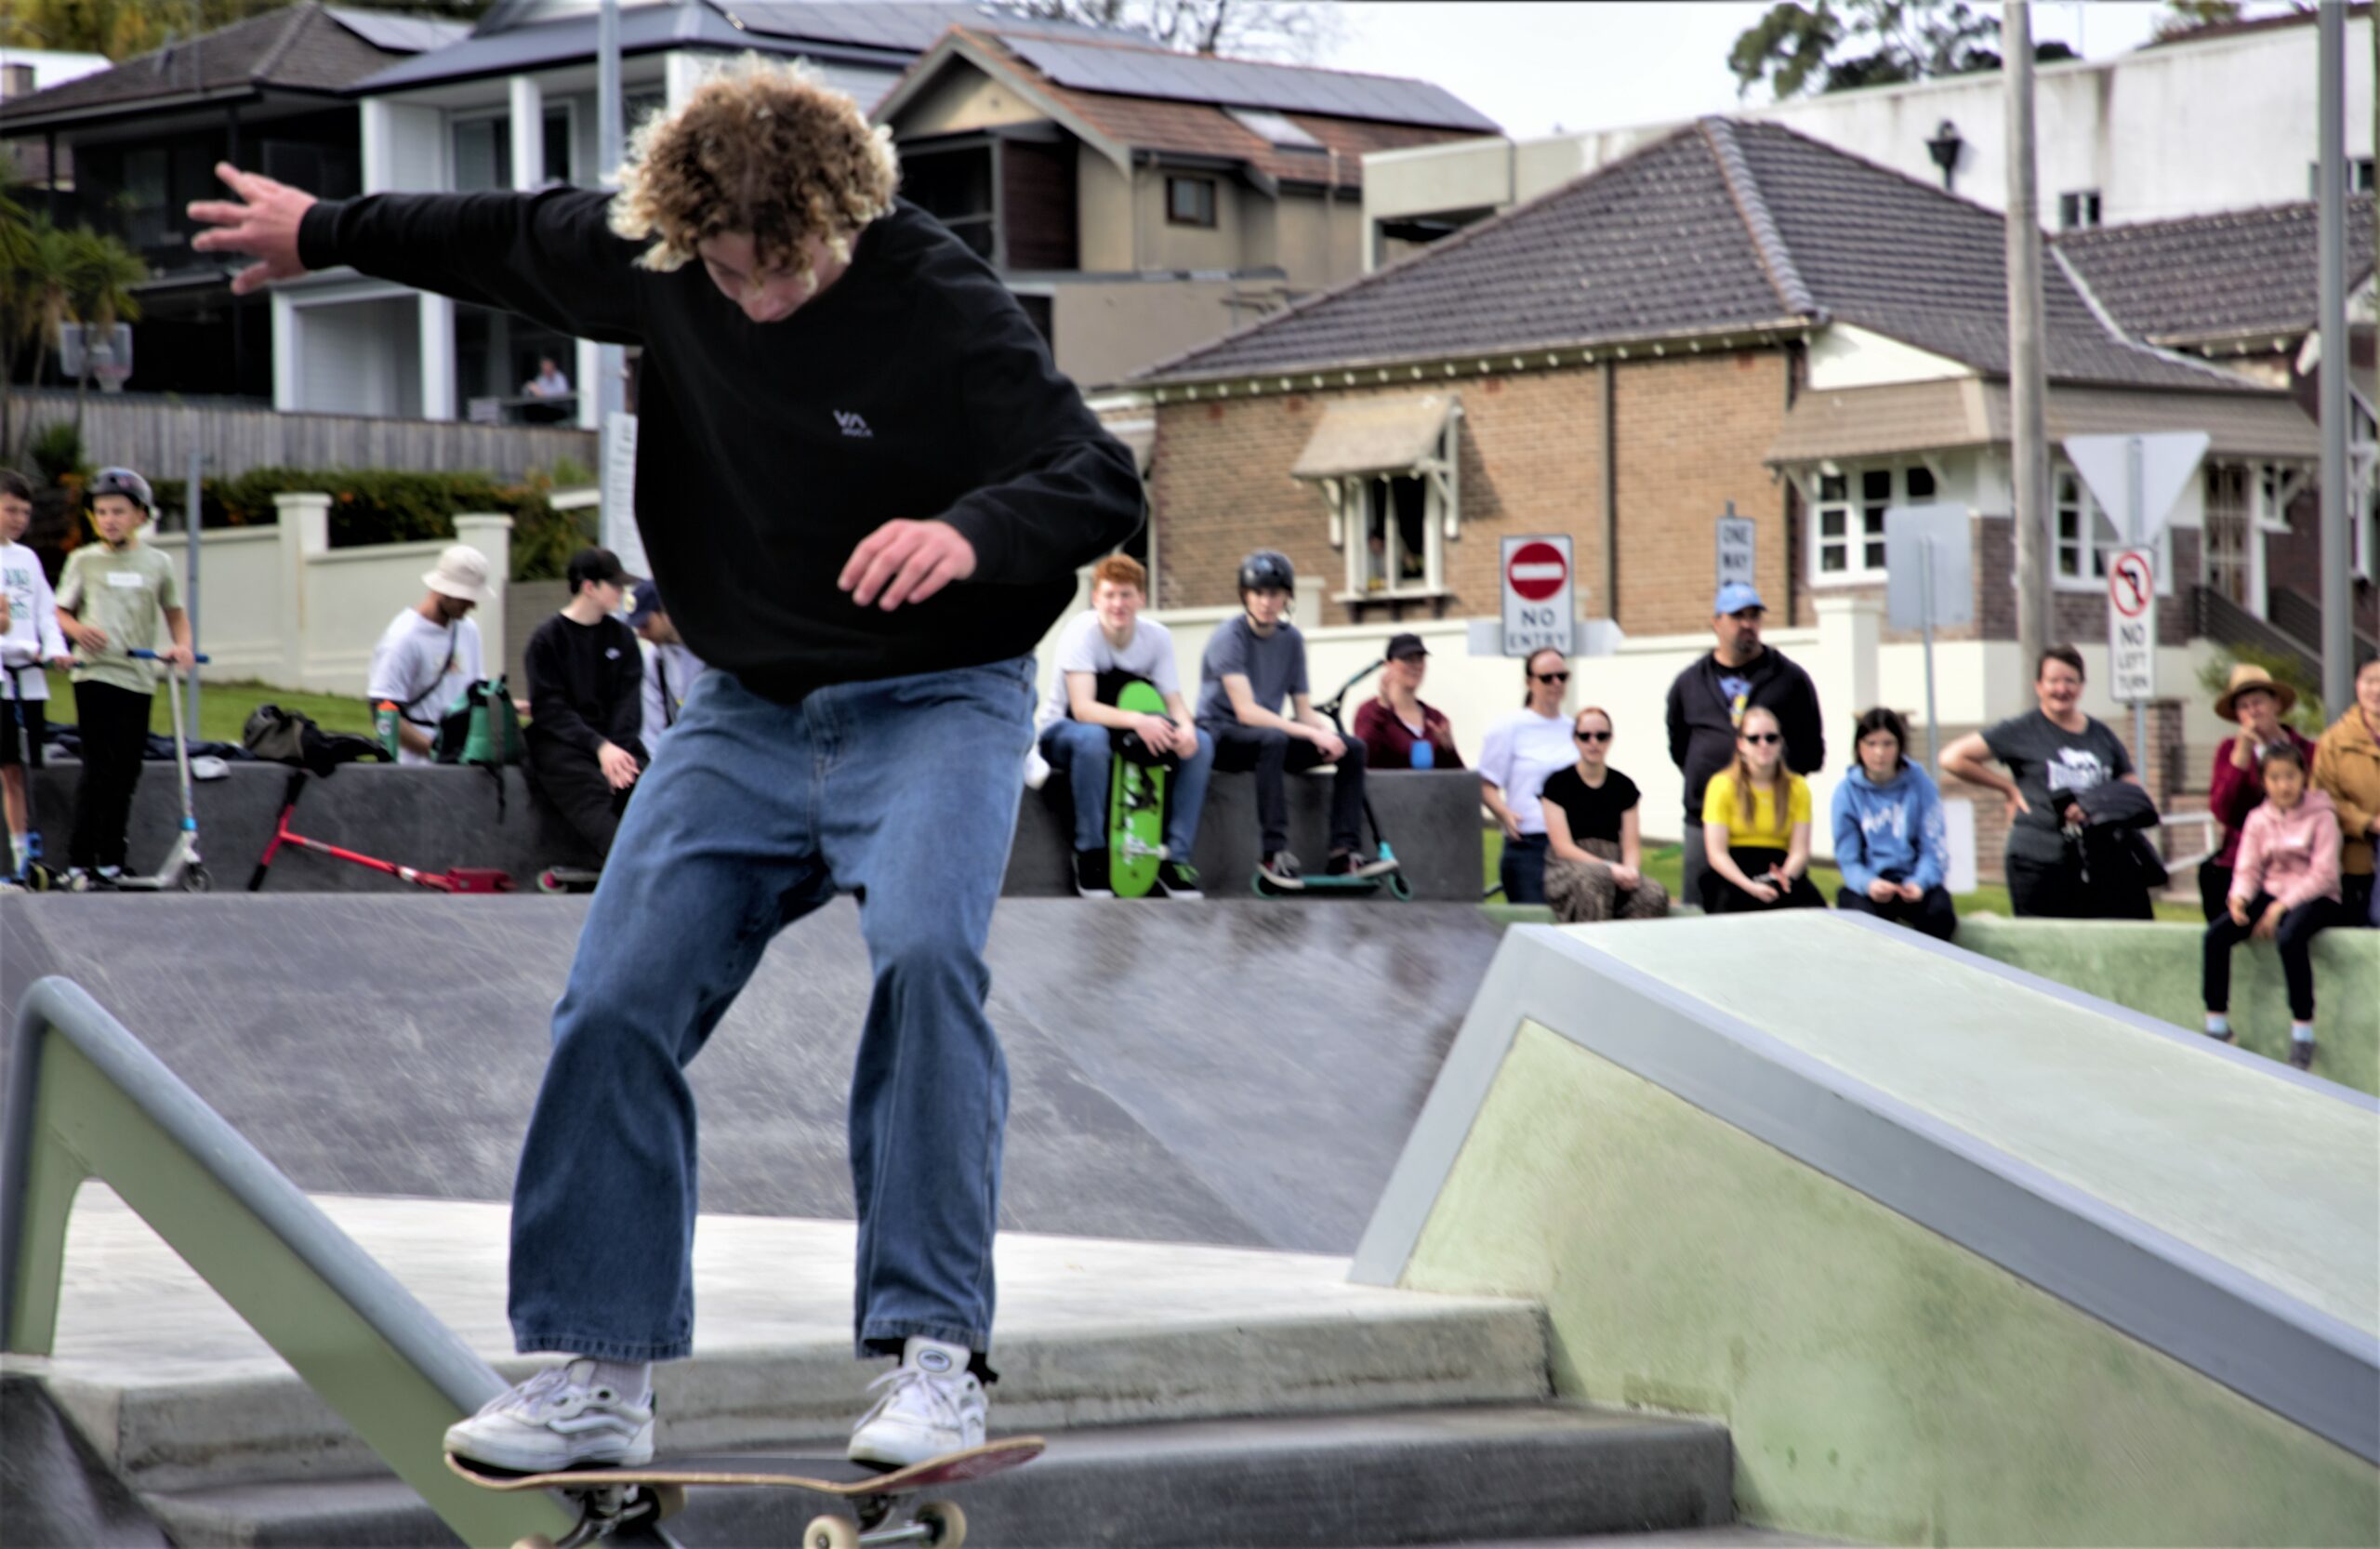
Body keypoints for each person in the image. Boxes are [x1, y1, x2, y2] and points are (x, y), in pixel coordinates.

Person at [190, 58, 1140, 1470]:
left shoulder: (932, 289)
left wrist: (972, 532)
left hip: (941, 698)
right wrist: (324, 227)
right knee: (616, 999)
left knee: (932, 960)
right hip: (748, 714)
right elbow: (498, 234)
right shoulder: (659, 255)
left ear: (839, 218)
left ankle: (936, 1359)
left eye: (788, 270)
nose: (759, 297)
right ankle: (598, 1373)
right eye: (732, 272)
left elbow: (1095, 474)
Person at [1197, 549, 1385, 891]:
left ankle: (1343, 853)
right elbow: (1246, 712)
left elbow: (1303, 710)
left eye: (1274, 593)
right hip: (1221, 735)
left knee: (1352, 748)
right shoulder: (1229, 636)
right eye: (1258, 593)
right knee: (1274, 739)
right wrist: (1308, 734)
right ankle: (1274, 853)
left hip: (1269, 737)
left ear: (1287, 597)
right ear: (1245, 596)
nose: (1266, 602)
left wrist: (1325, 736)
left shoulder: (1292, 640)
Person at [1034, 553, 1211, 898]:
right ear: (1096, 598)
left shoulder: (1157, 638)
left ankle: (1174, 861)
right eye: (1111, 595)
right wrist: (1140, 721)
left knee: (1202, 743)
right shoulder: (1081, 632)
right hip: (1065, 732)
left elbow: (1174, 702)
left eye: (1127, 595)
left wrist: (1186, 729)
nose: (1118, 604)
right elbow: (1082, 709)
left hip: (1121, 730)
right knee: (1093, 738)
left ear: (1141, 599)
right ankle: (1091, 855)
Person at [52, 468, 192, 886]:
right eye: (101, 512)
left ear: (140, 516)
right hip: (94, 675)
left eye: (118, 511)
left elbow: (175, 614)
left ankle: (112, 859)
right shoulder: (84, 560)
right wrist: (76, 631)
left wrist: (181, 646)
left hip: (138, 678)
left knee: (127, 770)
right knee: (98, 767)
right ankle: (81, 859)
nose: (109, 519)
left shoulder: (158, 563)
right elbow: (59, 611)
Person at [1941, 645, 2152, 920]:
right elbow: (1953, 757)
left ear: (2082, 686)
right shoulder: (2021, 730)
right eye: (2053, 681)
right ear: (2039, 686)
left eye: (2070, 681)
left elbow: (2132, 789)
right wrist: (2007, 787)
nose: (2061, 689)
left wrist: (2096, 806)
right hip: (2036, 862)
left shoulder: (2101, 735)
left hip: (2097, 863)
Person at [1667, 582, 1825, 916]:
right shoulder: (1691, 682)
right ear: (1716, 622)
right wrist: (1710, 779)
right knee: (1701, 917)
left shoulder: (1789, 679)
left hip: (1774, 825)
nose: (1748, 624)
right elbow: (1679, 744)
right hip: (1706, 820)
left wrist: (1772, 779)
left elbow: (1812, 748)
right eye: (1738, 616)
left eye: (1754, 616)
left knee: (1784, 914)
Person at [2202, 744, 2342, 1071]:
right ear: (2264, 782)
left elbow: (2324, 874)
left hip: (2317, 895)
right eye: (2275, 778)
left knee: (2290, 938)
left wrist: (2280, 908)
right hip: (2272, 893)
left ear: (2304, 777)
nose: (2284, 785)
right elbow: (2248, 868)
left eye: (2291, 776)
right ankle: (2217, 1025)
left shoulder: (2323, 816)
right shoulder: (2257, 819)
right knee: (2215, 936)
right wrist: (2239, 899)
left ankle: (2303, 1032)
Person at [522, 548, 647, 874]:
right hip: (564, 744)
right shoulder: (547, 640)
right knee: (588, 790)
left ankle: (667, 863)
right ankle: (631, 869)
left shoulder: (622, 638)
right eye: (614, 585)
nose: (621, 592)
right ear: (589, 587)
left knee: (647, 784)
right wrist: (599, 748)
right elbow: (550, 709)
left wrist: (616, 750)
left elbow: (628, 703)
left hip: (615, 742)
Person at [0, 470, 73, 881]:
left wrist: (57, 650)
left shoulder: (27, 559)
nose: (19, 519)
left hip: (27, 679)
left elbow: (45, 612)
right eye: (11, 509)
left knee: (21, 767)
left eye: (25, 512)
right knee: (7, 768)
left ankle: (23, 859)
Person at [1830, 707, 1955, 940]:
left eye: (1888, 743)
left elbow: (1934, 848)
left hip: (1913, 883)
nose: (1880, 752)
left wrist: (1919, 883)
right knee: (1856, 917)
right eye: (1871, 743)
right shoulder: (1846, 792)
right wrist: (1869, 883)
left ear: (1899, 747)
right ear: (1859, 746)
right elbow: (1848, 859)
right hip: (1872, 884)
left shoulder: (1921, 784)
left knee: (1940, 914)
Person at [2202, 665, 2316, 921]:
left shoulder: (2306, 750)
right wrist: (2241, 758)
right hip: (2241, 860)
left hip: (2296, 859)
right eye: (2244, 706)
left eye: (2258, 702)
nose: (2253, 711)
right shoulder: (2228, 750)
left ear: (2276, 704)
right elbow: (2223, 810)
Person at [1541, 706, 1669, 923]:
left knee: (1654, 893)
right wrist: (1608, 867)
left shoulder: (1624, 787)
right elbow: (1562, 847)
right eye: (1585, 736)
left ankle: (1628, 952)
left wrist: (1630, 871)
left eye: (1601, 736)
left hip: (1615, 865)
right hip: (1569, 868)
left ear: (1610, 739)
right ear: (1575, 739)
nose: (1594, 743)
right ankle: (1592, 951)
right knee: (1596, 878)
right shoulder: (1557, 785)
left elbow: (1631, 845)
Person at [366, 545, 491, 765]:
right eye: (465, 597)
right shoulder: (403, 638)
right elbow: (383, 714)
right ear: (443, 589)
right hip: (418, 771)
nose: (473, 605)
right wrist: (435, 751)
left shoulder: (468, 630)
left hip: (464, 763)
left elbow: (476, 692)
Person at [1700, 704, 1826, 913]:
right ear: (1741, 744)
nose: (1763, 744)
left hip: (1780, 868)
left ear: (1781, 742)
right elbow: (1717, 854)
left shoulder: (1797, 786)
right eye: (1754, 738)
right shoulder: (1721, 784)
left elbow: (1800, 851)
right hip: (1734, 871)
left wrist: (1783, 878)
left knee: (1814, 914)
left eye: (1771, 738)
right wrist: (1750, 887)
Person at [1479, 647, 1576, 905]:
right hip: (1529, 842)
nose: (1555, 683)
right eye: (1547, 678)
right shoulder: (1509, 727)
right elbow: (1486, 783)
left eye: (1562, 676)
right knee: (1535, 925)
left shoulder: (1575, 729)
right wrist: (1503, 812)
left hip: (1573, 842)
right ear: (1529, 681)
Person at [2311, 656, 2380, 927]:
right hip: (2353, 861)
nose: (2376, 690)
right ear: (2357, 685)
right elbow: (2323, 798)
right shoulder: (2334, 740)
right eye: (2370, 681)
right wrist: (2368, 823)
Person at [1352, 632, 1461, 771]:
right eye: (1408, 659)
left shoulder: (1435, 718)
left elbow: (1457, 777)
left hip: (1429, 792)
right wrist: (1383, 708)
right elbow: (1363, 758)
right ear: (1388, 665)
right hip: (1385, 791)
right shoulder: (1370, 711)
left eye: (1420, 659)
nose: (1415, 666)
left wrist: (1448, 749)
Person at [627, 578, 704, 754]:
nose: (641, 634)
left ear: (667, 612)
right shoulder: (653, 660)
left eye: (645, 624)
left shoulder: (711, 651)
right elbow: (652, 732)